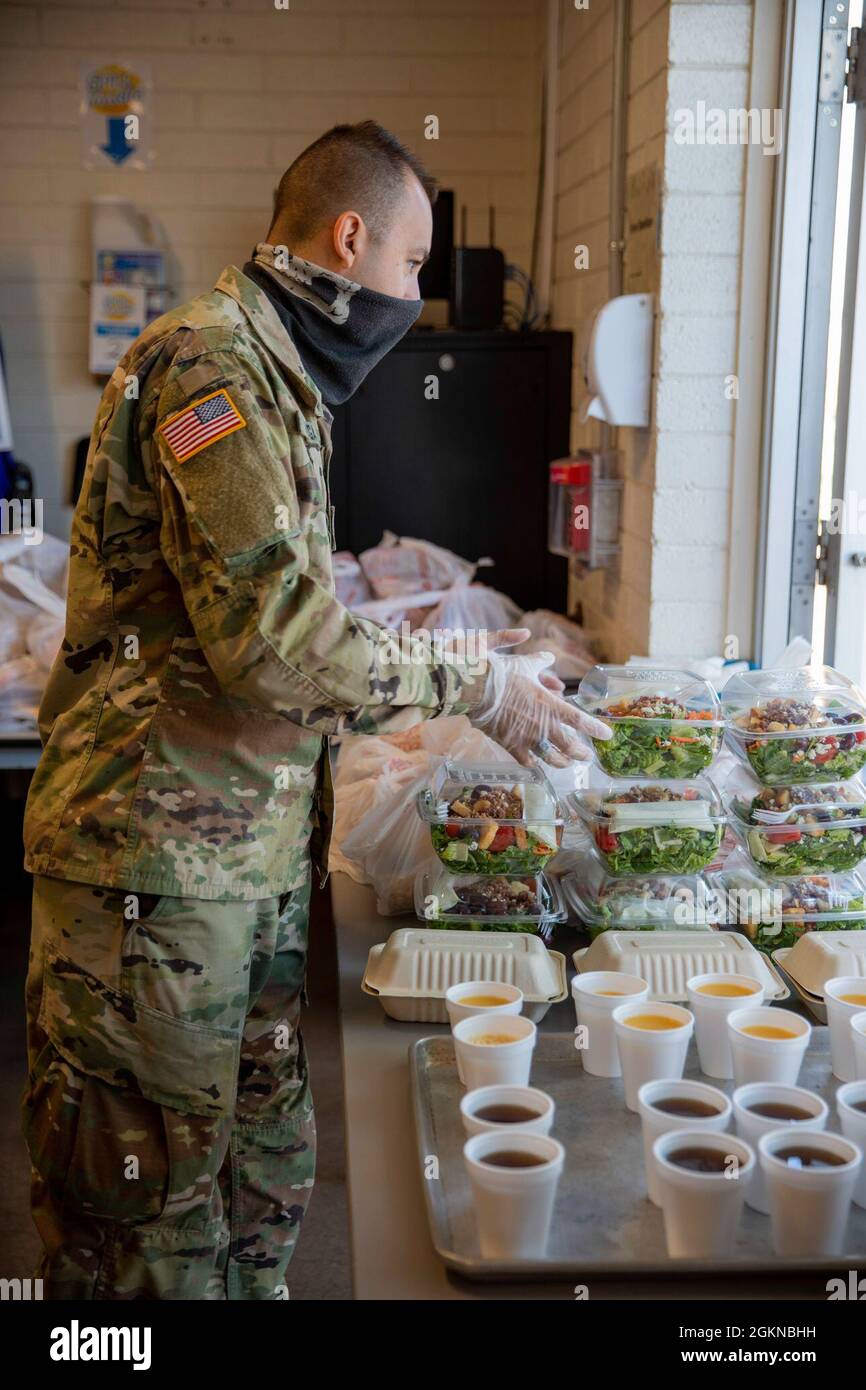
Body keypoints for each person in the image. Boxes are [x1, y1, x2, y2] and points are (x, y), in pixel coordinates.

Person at [21, 121, 608, 1300]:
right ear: (350, 237)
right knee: (148, 1225)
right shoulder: (210, 370)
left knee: (260, 1183)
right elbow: (275, 643)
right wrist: (473, 682)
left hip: (245, 865)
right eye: (407, 265)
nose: (410, 296)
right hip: (157, 878)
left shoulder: (283, 384)